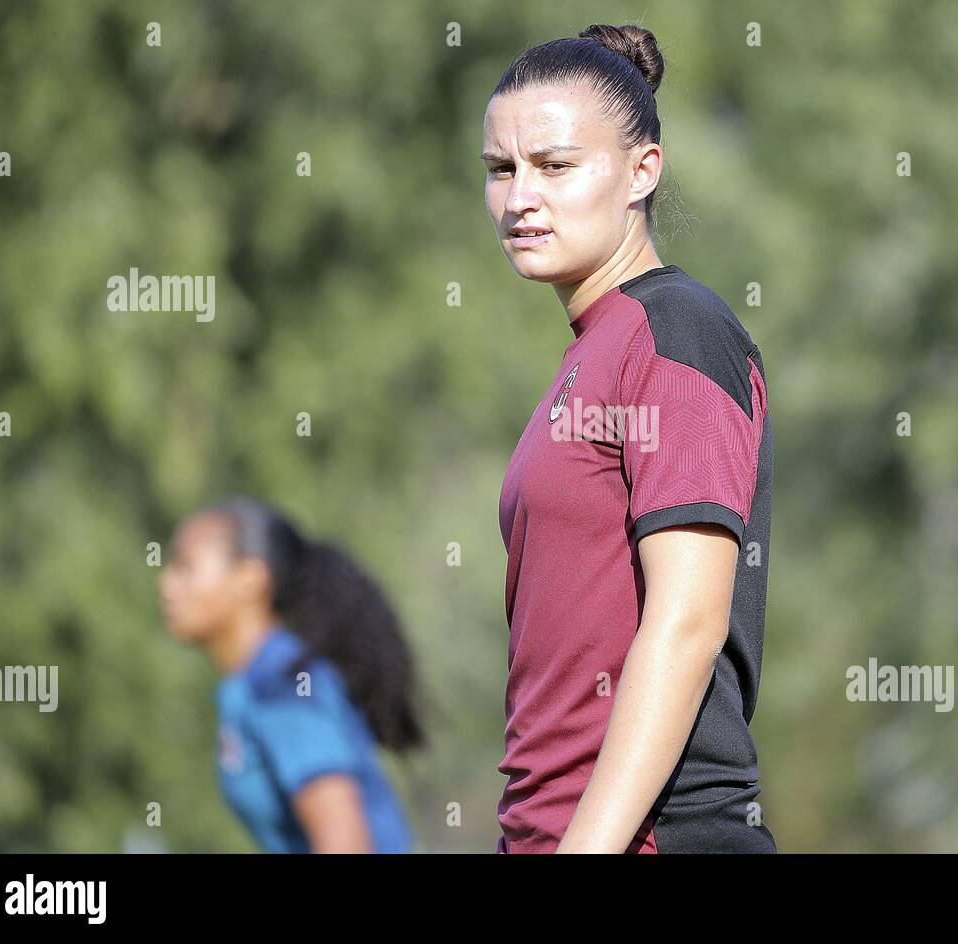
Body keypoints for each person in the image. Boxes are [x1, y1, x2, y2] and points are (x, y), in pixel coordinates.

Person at [482, 23, 776, 852]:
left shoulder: (679, 330)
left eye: (555, 165)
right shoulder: (594, 351)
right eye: (501, 170)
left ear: (642, 170)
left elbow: (687, 622)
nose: (519, 197)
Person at [158, 497, 423, 853]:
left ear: (250, 580)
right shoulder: (253, 684)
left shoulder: (282, 684)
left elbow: (344, 847)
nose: (167, 584)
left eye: (184, 566)